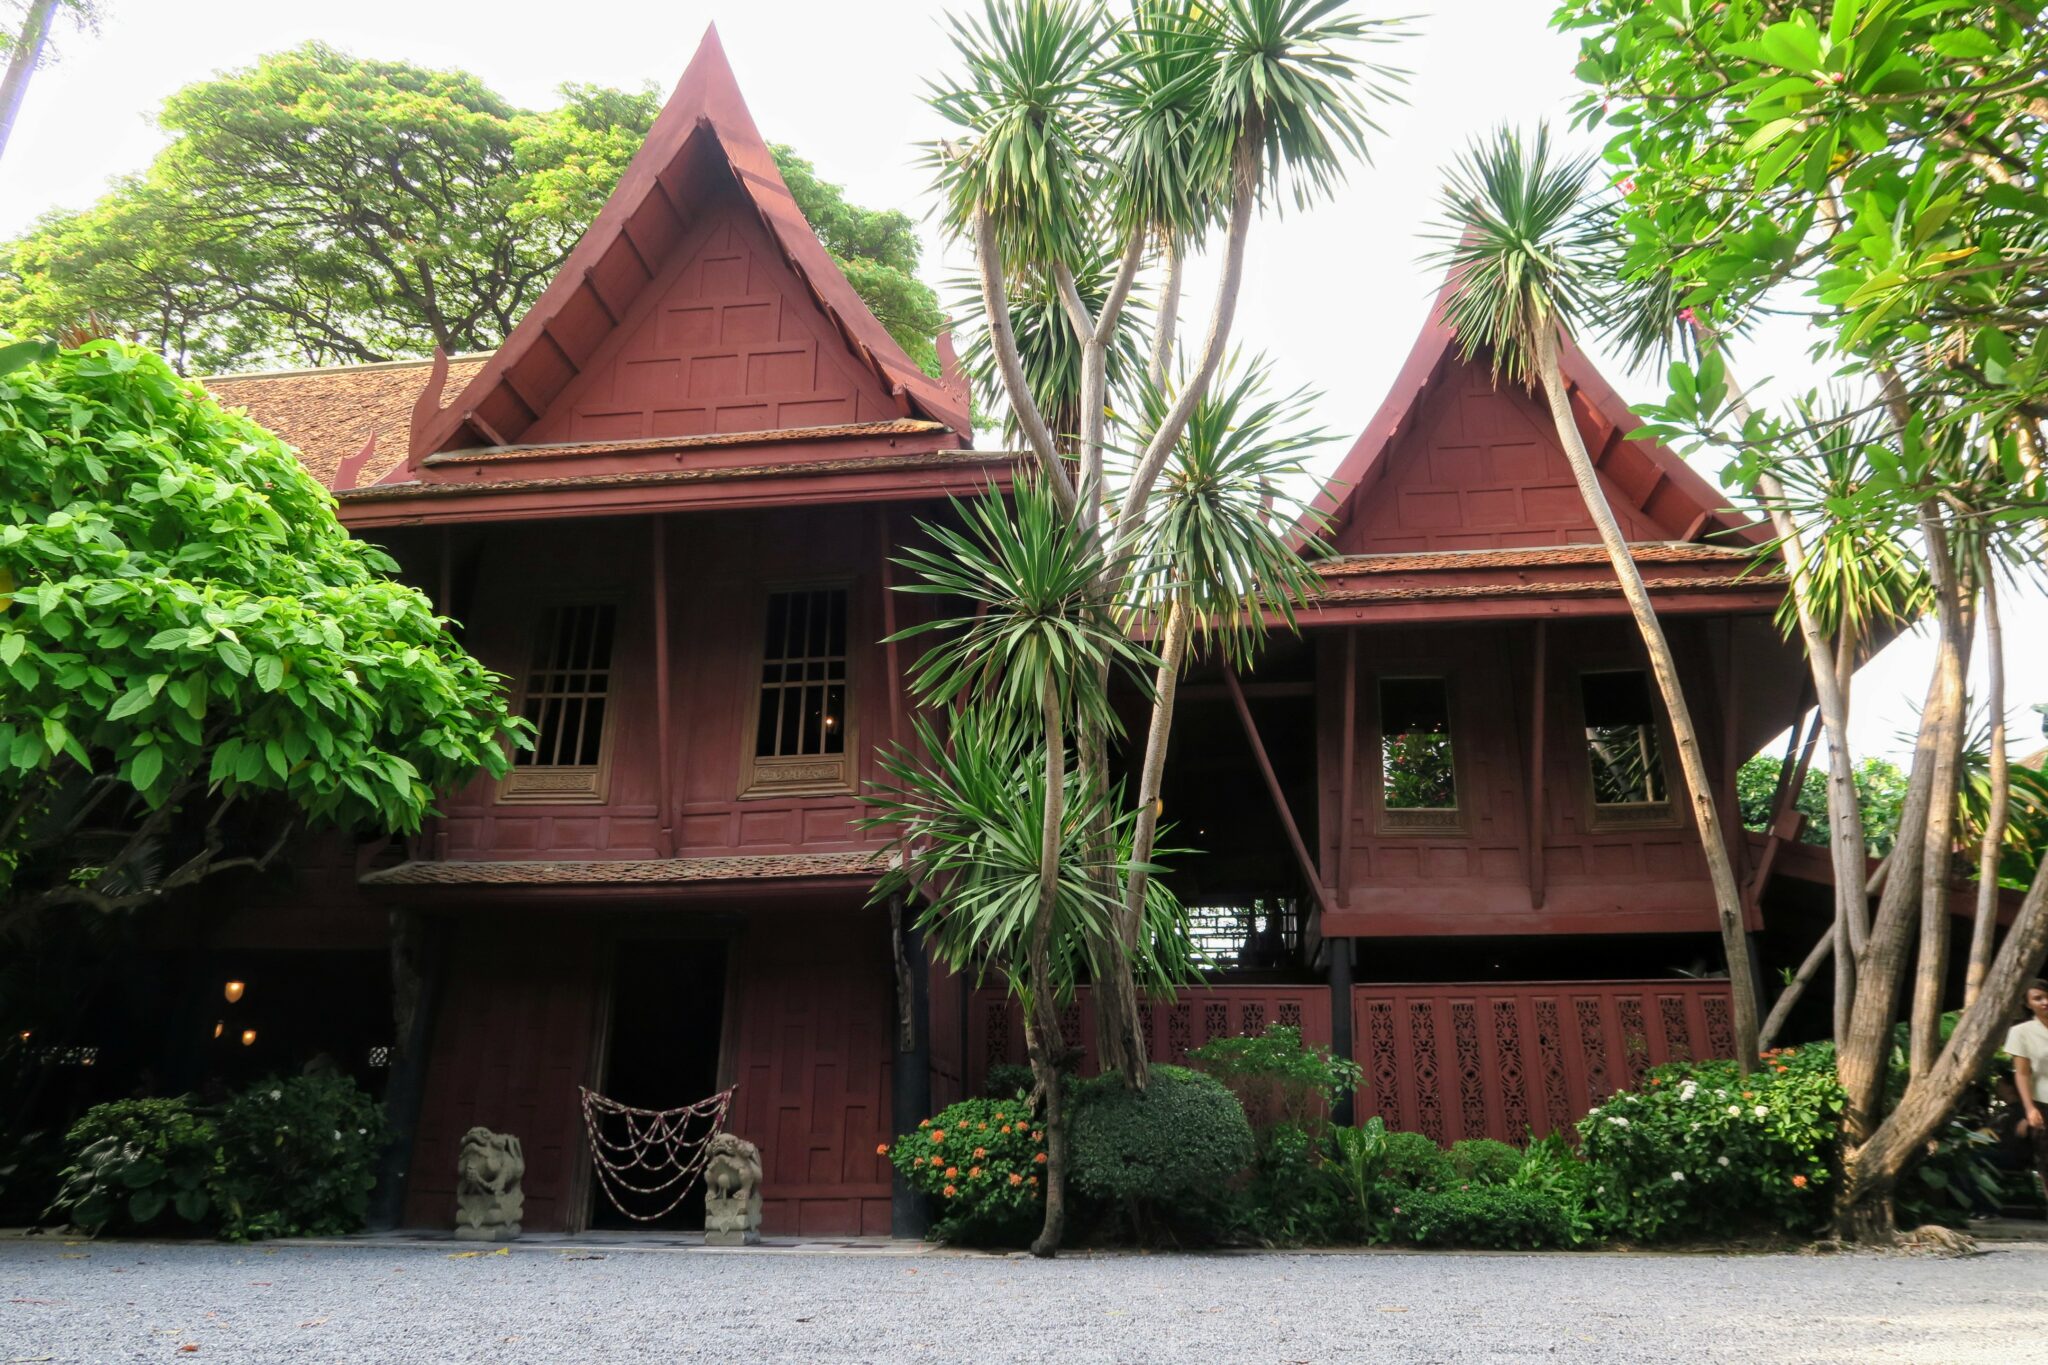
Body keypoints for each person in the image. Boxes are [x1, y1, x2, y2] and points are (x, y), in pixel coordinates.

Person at [2006, 978, 2048, 1207]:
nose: (2045, 1002)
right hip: (2042, 1102)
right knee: (2046, 1161)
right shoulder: (2021, 1032)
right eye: (2038, 998)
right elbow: (2021, 1074)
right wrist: (2030, 1108)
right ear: (2028, 1003)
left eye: (2046, 996)